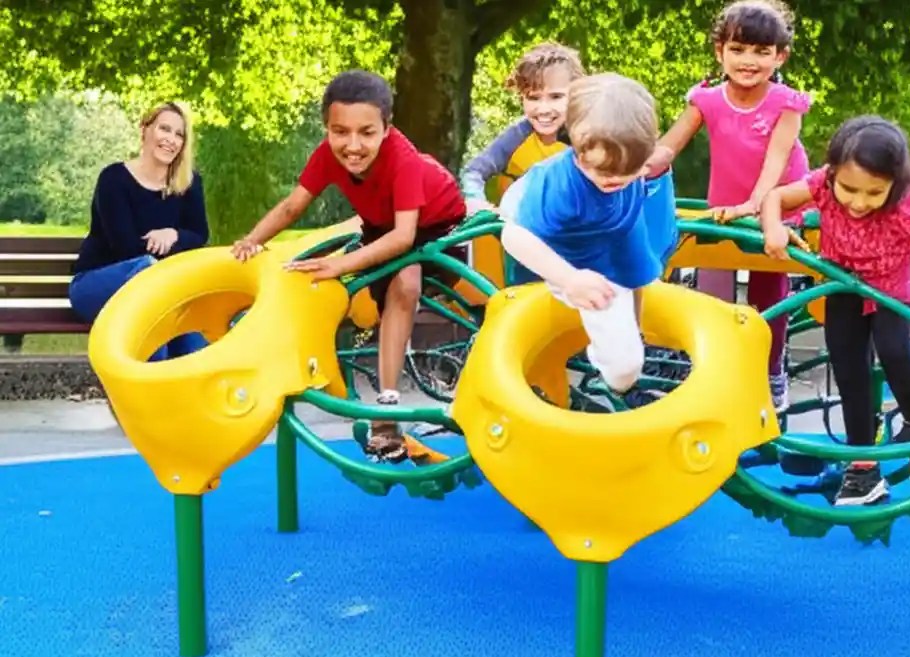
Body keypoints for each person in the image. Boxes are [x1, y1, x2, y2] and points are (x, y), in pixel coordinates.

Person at [760, 116, 910, 507]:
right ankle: (862, 469)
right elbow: (776, 198)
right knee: (849, 373)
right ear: (833, 172)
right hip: (843, 289)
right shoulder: (822, 184)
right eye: (849, 189)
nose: (858, 202)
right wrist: (773, 227)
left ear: (895, 184)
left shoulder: (908, 207)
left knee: (895, 353)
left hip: (893, 296)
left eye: (874, 192)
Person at [230, 70, 466, 462]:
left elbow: (404, 238)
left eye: (366, 133)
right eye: (340, 132)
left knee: (407, 280)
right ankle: (357, 345)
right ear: (327, 128)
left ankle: (386, 411)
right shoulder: (327, 156)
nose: (352, 145)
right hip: (382, 227)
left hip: (440, 232)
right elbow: (292, 206)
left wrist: (338, 265)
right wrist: (251, 241)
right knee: (358, 282)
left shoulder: (404, 160)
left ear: (387, 128)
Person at [644, 0, 810, 411]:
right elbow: (669, 146)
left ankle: (770, 370)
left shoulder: (786, 103)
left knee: (768, 295)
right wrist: (636, 168)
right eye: (738, 49)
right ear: (720, 51)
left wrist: (756, 205)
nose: (748, 61)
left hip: (775, 207)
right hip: (724, 208)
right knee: (712, 296)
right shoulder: (707, 100)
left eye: (761, 51)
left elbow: (776, 161)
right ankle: (710, 372)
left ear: (780, 56)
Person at [499, 73, 679, 407]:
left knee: (628, 354)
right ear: (576, 147)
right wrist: (570, 279)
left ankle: (615, 378)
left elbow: (633, 260)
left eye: (628, 170)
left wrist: (634, 324)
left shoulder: (631, 173)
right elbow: (514, 235)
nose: (613, 179)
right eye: (600, 170)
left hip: (602, 235)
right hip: (550, 235)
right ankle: (608, 380)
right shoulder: (561, 187)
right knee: (623, 368)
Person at [68, 101, 209, 361]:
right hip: (96, 285)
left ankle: (195, 382)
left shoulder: (188, 183)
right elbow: (125, 247)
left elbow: (199, 235)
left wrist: (173, 234)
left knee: (186, 330)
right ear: (145, 129)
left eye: (179, 134)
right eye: (164, 129)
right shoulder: (114, 179)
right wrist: (166, 253)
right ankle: (152, 383)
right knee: (147, 272)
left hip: (159, 295)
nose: (171, 139)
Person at [459, 42, 585, 215]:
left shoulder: (584, 138)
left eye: (556, 97)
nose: (543, 109)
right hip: (510, 226)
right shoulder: (518, 135)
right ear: (522, 98)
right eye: (533, 98)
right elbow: (473, 171)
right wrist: (475, 199)